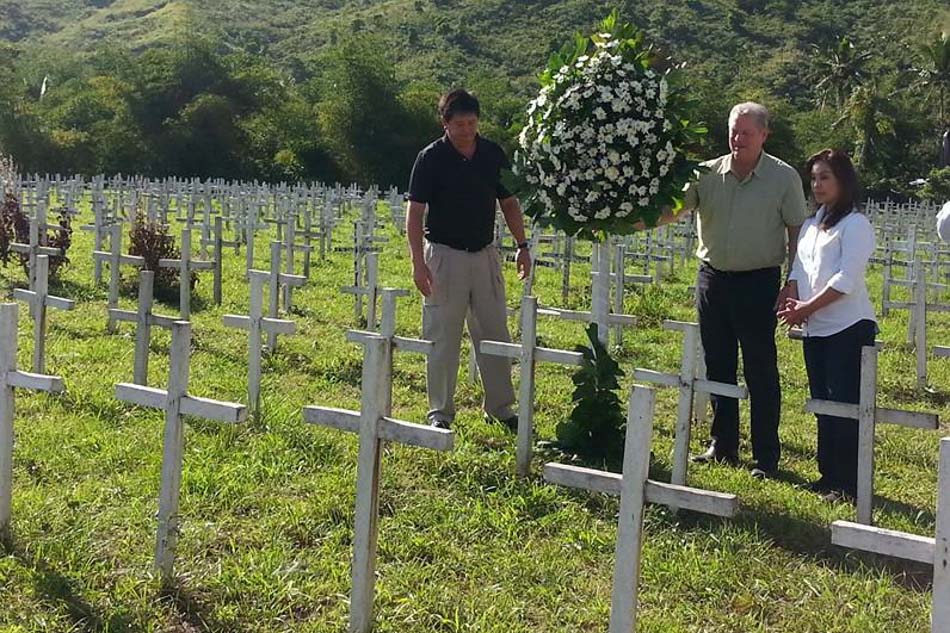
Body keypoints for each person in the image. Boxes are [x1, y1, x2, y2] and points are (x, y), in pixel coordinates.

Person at [647, 102, 808, 478]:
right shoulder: (705, 173)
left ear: (764, 135)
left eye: (747, 133)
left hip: (759, 282)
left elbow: (797, 232)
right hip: (713, 278)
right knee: (718, 363)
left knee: (760, 368)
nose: (738, 139)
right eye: (734, 131)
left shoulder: (783, 178)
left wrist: (792, 280)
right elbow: (675, 210)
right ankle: (723, 443)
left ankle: (766, 454)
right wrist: (631, 218)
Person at [406, 89, 532, 430]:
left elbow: (508, 203)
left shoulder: (492, 154)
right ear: (445, 123)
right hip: (444, 257)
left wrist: (523, 245)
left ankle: (500, 408)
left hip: (484, 255)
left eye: (472, 123)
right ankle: (441, 413)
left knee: (494, 332)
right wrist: (418, 263)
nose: (466, 130)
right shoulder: (430, 158)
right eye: (459, 124)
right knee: (443, 335)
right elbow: (416, 213)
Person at [778, 149, 876, 502]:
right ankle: (828, 475)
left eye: (825, 178)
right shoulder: (810, 224)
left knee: (845, 405)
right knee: (822, 402)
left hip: (848, 327)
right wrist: (789, 292)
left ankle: (848, 483)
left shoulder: (855, 225)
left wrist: (806, 307)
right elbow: (800, 268)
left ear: (843, 182)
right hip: (816, 328)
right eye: (814, 178)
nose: (817, 184)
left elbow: (845, 279)